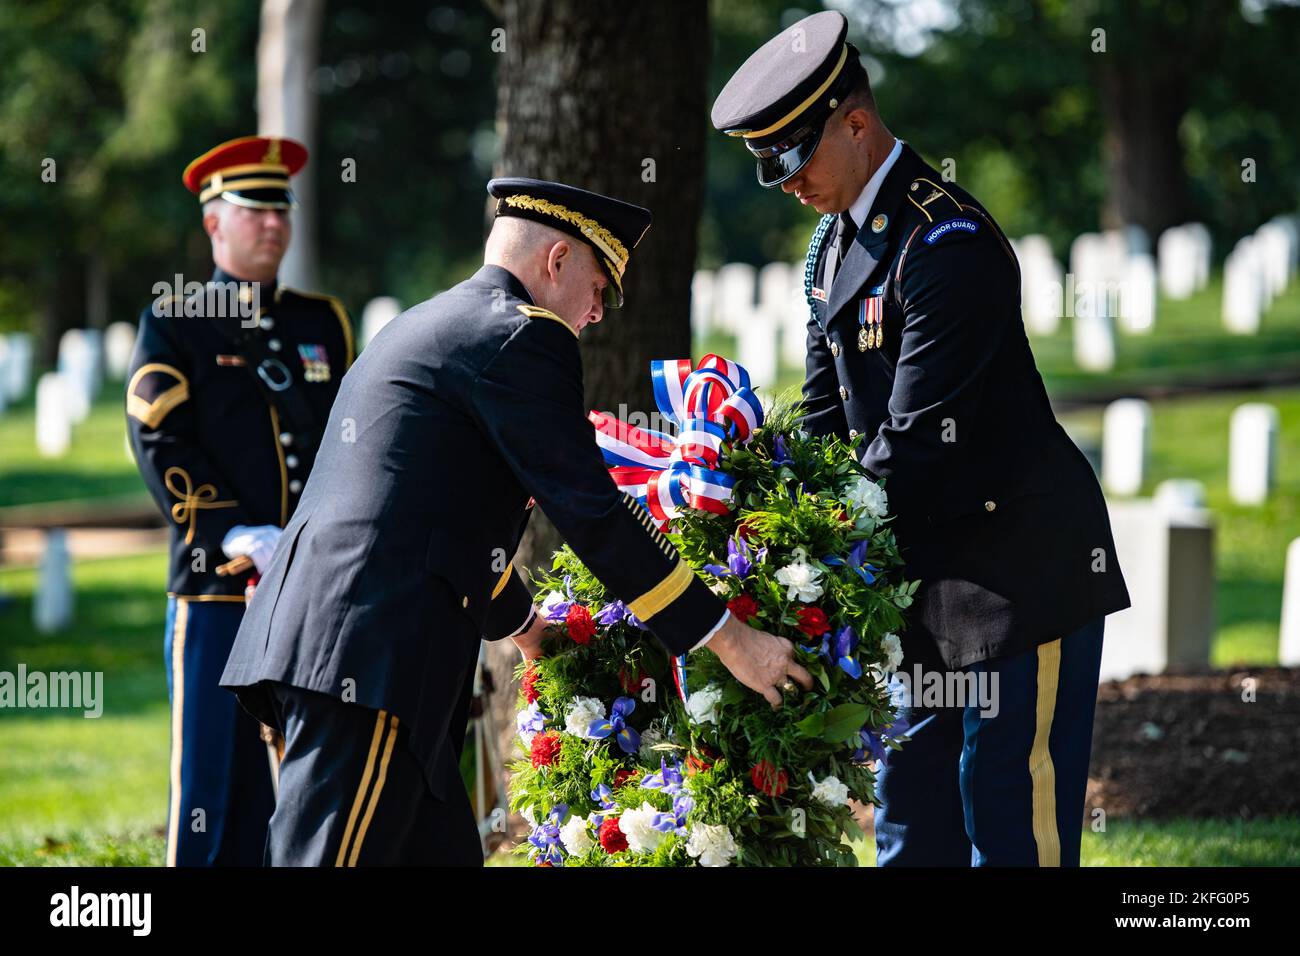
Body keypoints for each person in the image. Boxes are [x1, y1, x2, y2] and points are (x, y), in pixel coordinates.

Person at [220, 178, 813, 866]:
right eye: (601, 287)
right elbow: (594, 515)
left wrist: (525, 628)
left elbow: (444, 514)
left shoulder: (435, 323)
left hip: (368, 650)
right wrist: (729, 639)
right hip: (370, 654)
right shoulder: (521, 336)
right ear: (557, 260)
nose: (598, 312)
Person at [712, 11, 1131, 866]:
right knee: (914, 825)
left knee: (1015, 827)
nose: (788, 186)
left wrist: (809, 541)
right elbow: (828, 421)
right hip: (918, 584)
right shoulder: (833, 246)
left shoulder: (946, 240)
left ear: (857, 124)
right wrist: (754, 504)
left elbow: (916, 442)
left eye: (796, 161)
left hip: (1017, 574)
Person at [126, 135, 354, 866]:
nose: (272, 222)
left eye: (281, 207)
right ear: (213, 223)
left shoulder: (322, 324)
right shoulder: (178, 320)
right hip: (222, 591)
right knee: (213, 788)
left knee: (304, 783)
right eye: (252, 208)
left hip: (313, 587)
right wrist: (227, 533)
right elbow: (158, 439)